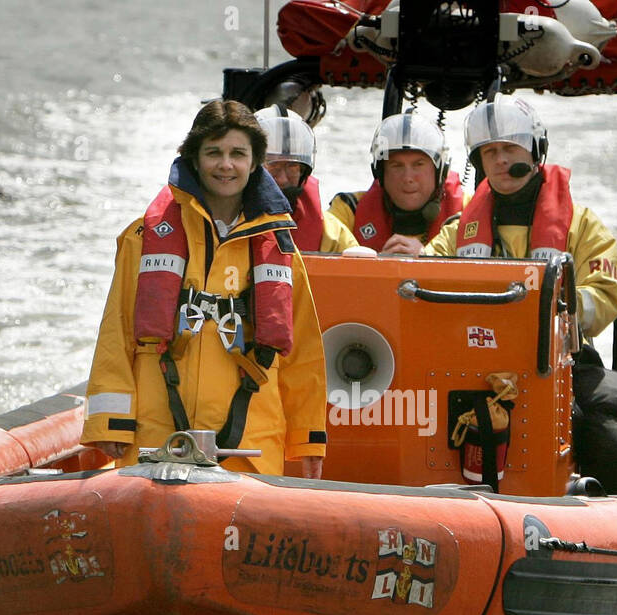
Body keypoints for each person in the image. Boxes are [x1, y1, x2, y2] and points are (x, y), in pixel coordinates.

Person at [80, 100, 328, 479]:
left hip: (251, 442)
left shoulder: (279, 250)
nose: (225, 165)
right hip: (156, 434)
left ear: (255, 161)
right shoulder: (143, 238)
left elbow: (305, 353)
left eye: (237, 154)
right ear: (194, 158)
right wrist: (110, 423)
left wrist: (309, 442)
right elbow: (117, 331)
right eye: (213, 152)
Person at [416, 95, 617, 493]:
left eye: (509, 149)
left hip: (563, 364)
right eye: (490, 152)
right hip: (469, 362)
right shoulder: (457, 231)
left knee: (612, 440)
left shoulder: (582, 224)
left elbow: (605, 296)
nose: (501, 160)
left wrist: (557, 310)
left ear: (534, 149)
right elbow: (422, 282)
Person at [328, 112, 465, 254]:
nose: (408, 177)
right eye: (396, 165)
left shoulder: (467, 211)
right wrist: (380, 265)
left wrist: (427, 258)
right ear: (380, 173)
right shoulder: (348, 211)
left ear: (440, 171)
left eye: (418, 164)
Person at [254, 104, 361, 254]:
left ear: (305, 171)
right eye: (273, 166)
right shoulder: (225, 222)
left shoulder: (332, 234)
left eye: (293, 167)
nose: (283, 179)